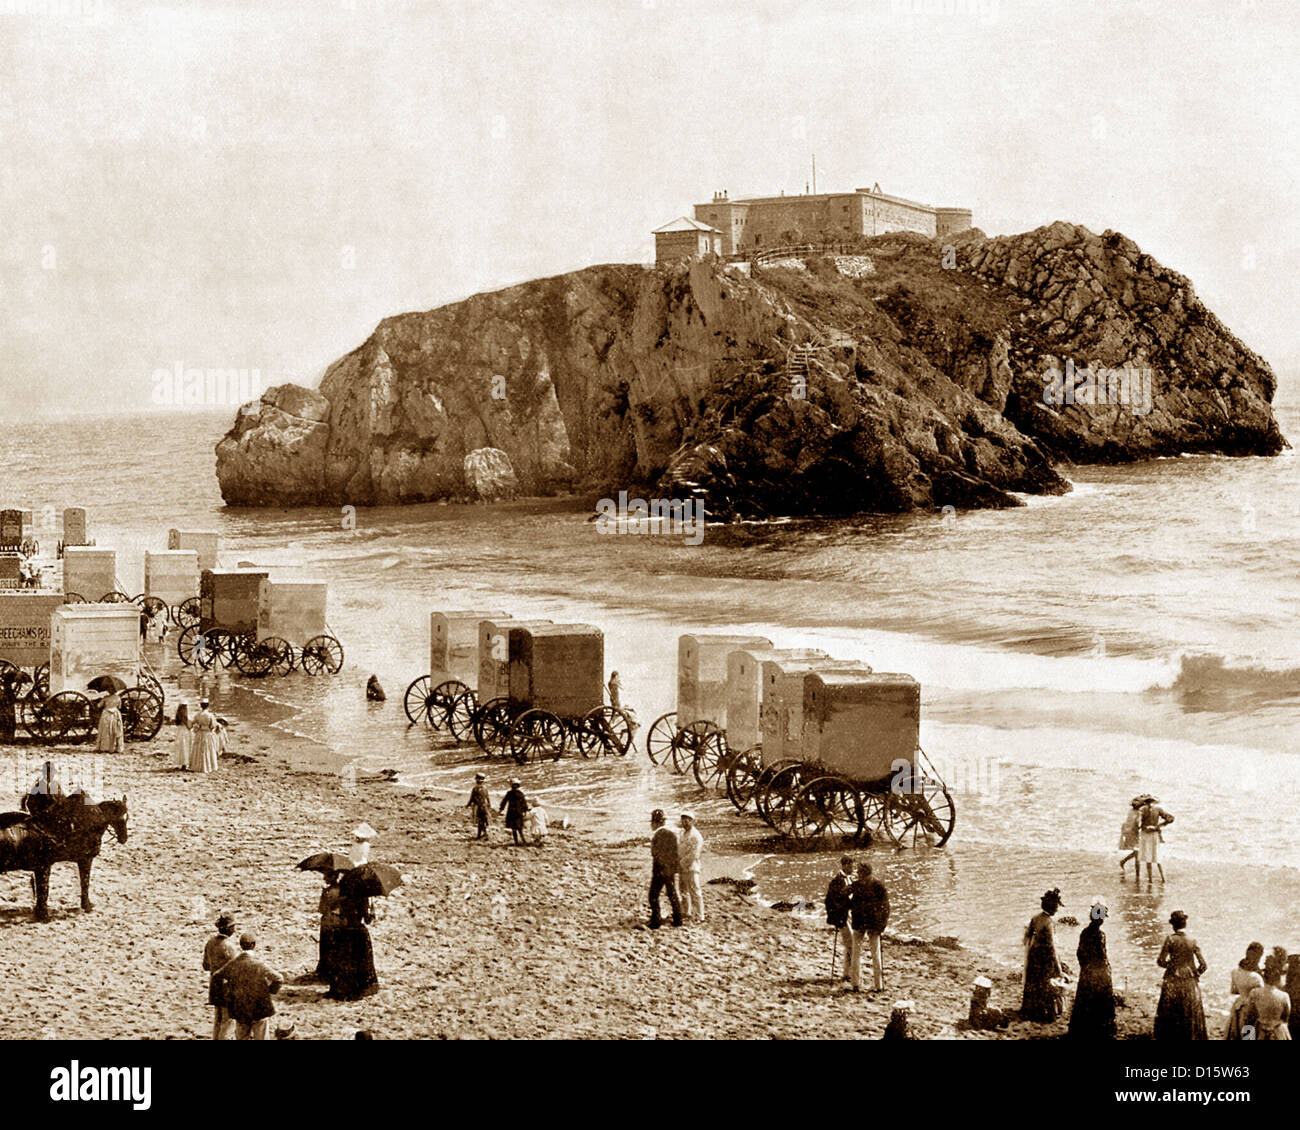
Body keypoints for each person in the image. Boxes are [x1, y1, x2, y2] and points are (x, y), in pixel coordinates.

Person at [211, 932, 284, 1041]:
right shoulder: (259, 964)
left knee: (241, 1036)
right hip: (259, 1007)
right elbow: (279, 978)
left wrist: (229, 992)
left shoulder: (233, 964)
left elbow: (216, 976)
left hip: (240, 1008)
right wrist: (270, 991)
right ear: (254, 945)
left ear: (241, 945)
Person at [1154, 910, 1208, 1039]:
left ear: (1173, 925)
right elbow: (1203, 965)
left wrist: (1171, 966)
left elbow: (1160, 961)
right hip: (1190, 981)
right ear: (1185, 924)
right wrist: (1195, 974)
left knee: (1171, 1011)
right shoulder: (1193, 940)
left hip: (1173, 979)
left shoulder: (1170, 939)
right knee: (1190, 1012)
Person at [1068, 898, 1116, 1038]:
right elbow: (1102, 955)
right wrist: (1106, 969)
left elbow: (1079, 953)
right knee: (1102, 1001)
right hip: (1099, 972)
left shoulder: (1084, 932)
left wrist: (1085, 967)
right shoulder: (1101, 935)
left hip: (1088, 971)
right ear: (1100, 919)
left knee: (1085, 1000)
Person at [1021, 888, 1068, 1021]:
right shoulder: (1049, 923)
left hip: (1034, 955)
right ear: (1052, 907)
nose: (1057, 909)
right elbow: (1052, 948)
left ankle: (1030, 1009)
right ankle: (1044, 1012)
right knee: (1046, 984)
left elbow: (1026, 938)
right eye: (1057, 906)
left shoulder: (1035, 918)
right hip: (1045, 958)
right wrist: (1059, 968)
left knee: (1033, 982)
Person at [327, 889, 379, 1001]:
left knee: (346, 960)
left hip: (345, 932)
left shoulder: (342, 896)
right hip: (359, 932)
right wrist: (372, 912)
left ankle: (344, 988)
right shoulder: (364, 899)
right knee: (360, 961)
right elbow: (367, 920)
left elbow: (339, 915)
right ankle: (359, 988)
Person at [848, 862, 890, 993]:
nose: (859, 875)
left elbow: (843, 898)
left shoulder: (856, 885)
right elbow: (886, 908)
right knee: (874, 954)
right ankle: (878, 986)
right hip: (872, 925)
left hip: (862, 923)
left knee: (857, 953)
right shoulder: (878, 885)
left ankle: (856, 984)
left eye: (860, 872)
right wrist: (882, 925)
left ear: (864, 873)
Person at [202, 912, 239, 1040]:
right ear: (228, 928)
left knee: (217, 1021)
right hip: (227, 988)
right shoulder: (229, 947)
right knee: (227, 1022)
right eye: (233, 926)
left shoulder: (210, 942)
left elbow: (206, 965)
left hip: (214, 985)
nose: (235, 929)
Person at [1242, 954, 1292, 1040]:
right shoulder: (1284, 996)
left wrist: (1246, 1038)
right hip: (1278, 1032)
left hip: (1260, 1031)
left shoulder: (1255, 993)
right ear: (1277, 979)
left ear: (1264, 978)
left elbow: (1248, 1017)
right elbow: (1285, 1017)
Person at [647, 808, 682, 929]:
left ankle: (655, 920)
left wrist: (659, 869)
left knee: (653, 895)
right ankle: (678, 919)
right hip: (670, 870)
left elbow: (655, 854)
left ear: (655, 823)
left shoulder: (657, 835)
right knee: (672, 894)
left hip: (660, 870)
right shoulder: (672, 834)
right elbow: (676, 853)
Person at [1224, 942, 1265, 1040]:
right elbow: (1262, 995)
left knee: (1236, 1033)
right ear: (1258, 957)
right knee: (1249, 1036)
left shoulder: (1235, 972)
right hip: (1252, 1009)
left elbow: (1234, 991)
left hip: (1238, 1006)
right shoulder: (1256, 977)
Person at [824, 856, 855, 983]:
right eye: (850, 866)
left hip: (848, 915)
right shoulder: (837, 881)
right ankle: (847, 973)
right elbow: (830, 901)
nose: (852, 868)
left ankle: (847, 972)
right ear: (843, 866)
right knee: (850, 944)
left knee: (849, 944)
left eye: (852, 866)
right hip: (842, 917)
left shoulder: (849, 879)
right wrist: (837, 918)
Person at [315, 871, 344, 984]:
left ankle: (326, 973)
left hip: (327, 922)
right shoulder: (343, 890)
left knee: (326, 946)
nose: (324, 878)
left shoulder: (328, 892)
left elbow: (322, 909)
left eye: (326, 875)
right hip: (338, 922)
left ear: (332, 877)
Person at [1137, 796, 1174, 882]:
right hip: (1148, 834)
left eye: (1151, 802)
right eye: (1148, 802)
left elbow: (1171, 818)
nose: (1150, 804)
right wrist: (1151, 826)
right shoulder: (1144, 810)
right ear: (1146, 803)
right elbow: (1138, 822)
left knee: (1156, 857)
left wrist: (1158, 826)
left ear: (1154, 803)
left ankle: (1162, 878)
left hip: (1151, 834)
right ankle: (1151, 879)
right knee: (1148, 857)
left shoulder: (1154, 810)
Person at [677, 812, 705, 923]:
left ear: (692, 821)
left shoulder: (696, 836)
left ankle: (699, 916)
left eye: (687, 820)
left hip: (692, 866)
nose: (684, 822)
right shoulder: (683, 833)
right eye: (683, 820)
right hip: (682, 866)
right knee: (683, 890)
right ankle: (685, 912)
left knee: (695, 891)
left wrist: (683, 863)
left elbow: (694, 854)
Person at [189, 698, 220, 773]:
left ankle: (197, 766)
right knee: (208, 749)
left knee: (198, 749)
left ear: (201, 706)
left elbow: (193, 723)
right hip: (207, 733)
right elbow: (213, 725)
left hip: (200, 733)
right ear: (208, 706)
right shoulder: (210, 715)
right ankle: (208, 766)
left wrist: (198, 727)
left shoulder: (198, 715)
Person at [499, 780, 528, 847]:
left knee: (514, 829)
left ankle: (517, 842)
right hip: (518, 812)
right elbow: (524, 803)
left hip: (511, 812)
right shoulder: (520, 793)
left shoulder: (509, 793)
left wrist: (501, 809)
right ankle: (523, 841)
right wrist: (525, 811)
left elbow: (504, 801)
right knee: (519, 828)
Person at [1118, 798, 1142, 877]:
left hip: (1130, 833)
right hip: (1134, 834)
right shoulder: (1138, 813)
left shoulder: (1131, 811)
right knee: (1137, 853)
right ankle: (1137, 875)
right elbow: (1138, 824)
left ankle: (1123, 861)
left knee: (1137, 852)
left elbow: (1129, 824)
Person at [466, 773, 492, 841]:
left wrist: (489, 804)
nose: (480, 781)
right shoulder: (475, 789)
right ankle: (481, 834)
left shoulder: (484, 788)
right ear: (476, 780)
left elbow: (487, 797)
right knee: (480, 821)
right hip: (477, 807)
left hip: (483, 806)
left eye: (481, 779)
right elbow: (472, 798)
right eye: (479, 779)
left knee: (483, 821)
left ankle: (483, 834)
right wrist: (468, 804)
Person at [172, 703, 191, 770]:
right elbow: (188, 725)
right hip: (184, 731)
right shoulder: (185, 716)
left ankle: (177, 763)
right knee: (185, 747)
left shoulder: (178, 715)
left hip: (179, 730)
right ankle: (184, 763)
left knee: (179, 747)